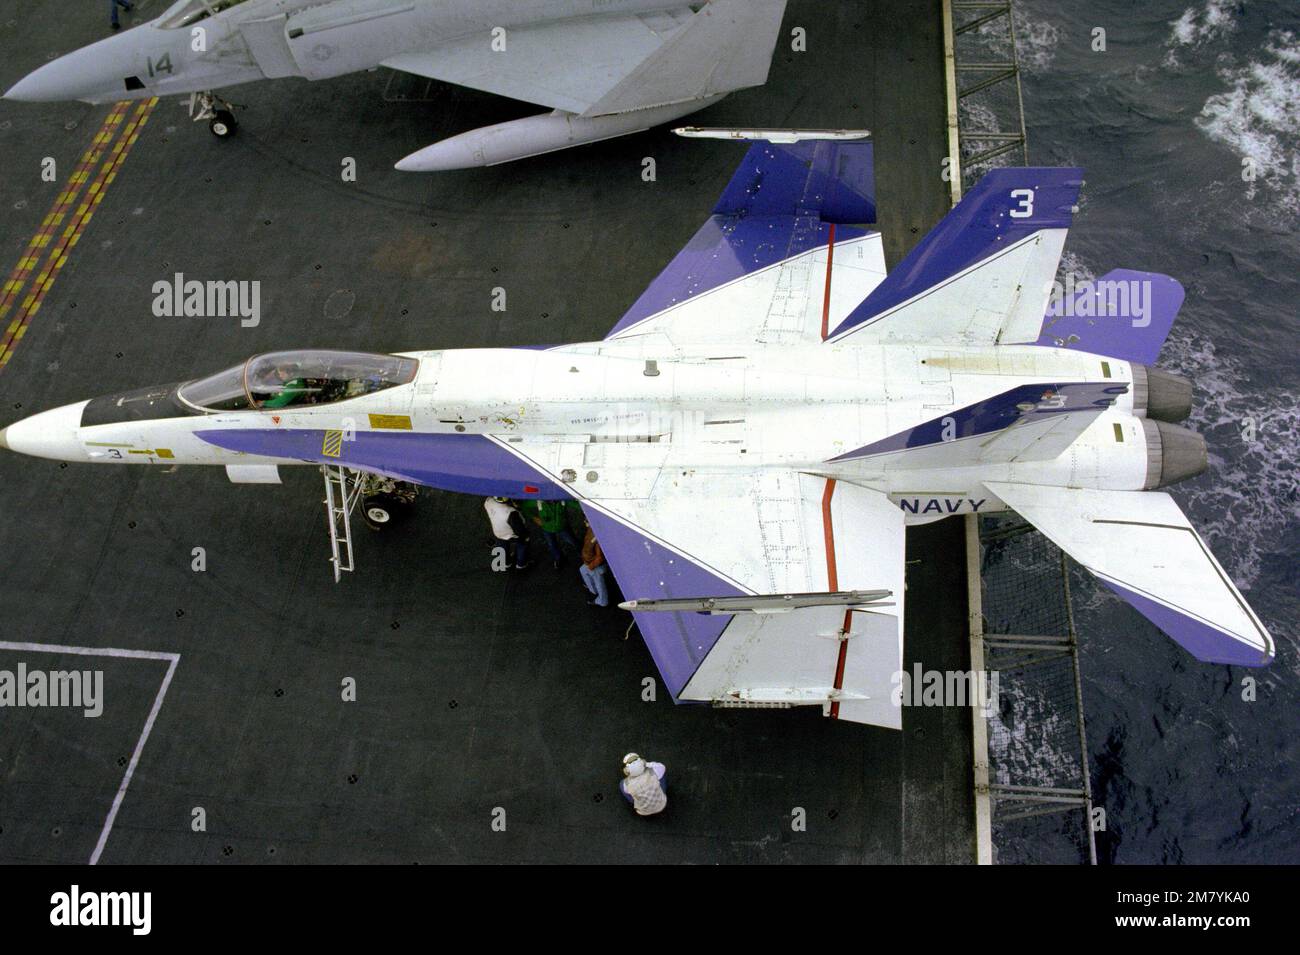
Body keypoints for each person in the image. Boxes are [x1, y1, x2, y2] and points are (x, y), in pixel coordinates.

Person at [484, 497, 530, 570]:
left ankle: (506, 563)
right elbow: (518, 529)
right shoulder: (510, 512)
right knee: (522, 545)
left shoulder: (488, 501)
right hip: (510, 534)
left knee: (503, 547)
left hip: (498, 531)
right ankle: (521, 564)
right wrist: (525, 537)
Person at [535, 500, 580, 569]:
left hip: (562, 527)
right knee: (552, 545)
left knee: (572, 541)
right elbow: (525, 507)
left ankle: (584, 554)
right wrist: (534, 518)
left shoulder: (562, 498)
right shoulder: (538, 500)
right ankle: (559, 559)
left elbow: (577, 505)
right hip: (547, 529)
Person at [580, 520, 608, 606]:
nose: (585, 521)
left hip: (595, 565)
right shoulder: (592, 529)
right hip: (589, 562)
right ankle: (592, 589)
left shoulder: (598, 536)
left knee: (600, 584)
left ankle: (602, 602)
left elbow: (599, 558)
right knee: (582, 570)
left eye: (586, 520)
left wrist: (591, 566)